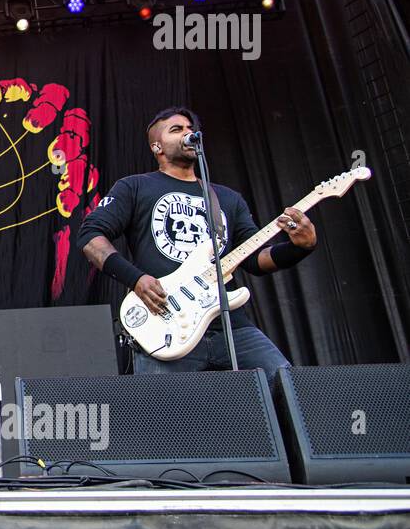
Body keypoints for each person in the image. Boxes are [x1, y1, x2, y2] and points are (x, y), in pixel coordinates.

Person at [77, 106, 318, 384]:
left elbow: (254, 260)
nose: (189, 133)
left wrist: (299, 247)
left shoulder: (227, 199)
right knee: (163, 413)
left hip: (230, 326)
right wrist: (136, 279)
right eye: (177, 129)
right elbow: (91, 236)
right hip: (166, 320)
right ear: (157, 146)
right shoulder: (135, 187)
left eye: (191, 129)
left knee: (287, 388)